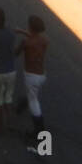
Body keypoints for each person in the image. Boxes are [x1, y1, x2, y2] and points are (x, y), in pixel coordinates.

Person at [15, 15, 49, 146]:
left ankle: (39, 131)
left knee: (34, 102)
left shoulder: (26, 42)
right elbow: (34, 37)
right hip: (41, 75)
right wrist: (23, 32)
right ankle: (25, 102)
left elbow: (16, 53)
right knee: (32, 93)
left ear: (30, 27)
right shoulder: (45, 40)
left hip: (31, 76)